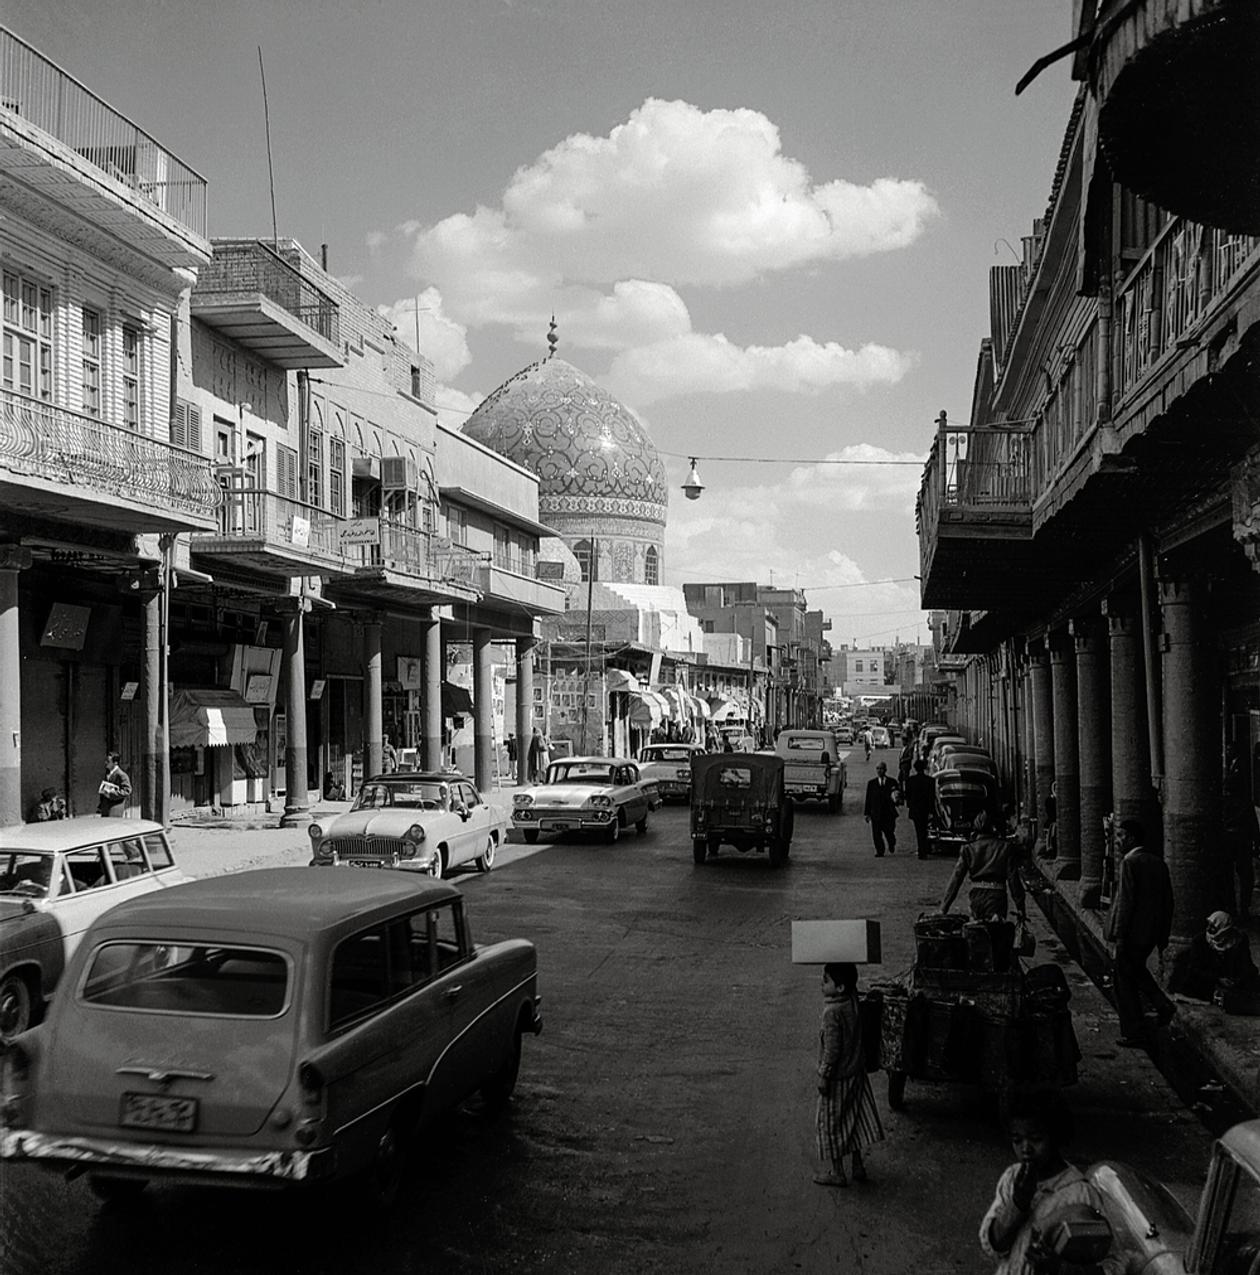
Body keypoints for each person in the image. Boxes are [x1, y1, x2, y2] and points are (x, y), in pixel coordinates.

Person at [980, 1091, 1123, 1274]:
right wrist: (1017, 1205)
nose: (1026, 1149)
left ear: (1056, 1136)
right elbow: (994, 1244)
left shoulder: (1081, 1194)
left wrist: (1061, 1269)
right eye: (1017, 1140)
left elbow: (1112, 1265)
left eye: (1036, 1139)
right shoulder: (1012, 1178)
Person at [1104, 818, 1174, 1047]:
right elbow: (1168, 902)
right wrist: (1162, 935)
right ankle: (1162, 1005)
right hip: (1150, 933)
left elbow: (1126, 902)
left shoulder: (1129, 863)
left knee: (1123, 982)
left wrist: (1120, 936)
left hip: (1132, 933)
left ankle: (1134, 1032)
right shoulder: (1158, 862)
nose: (1118, 841)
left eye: (1121, 836)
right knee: (1136, 970)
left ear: (1132, 838)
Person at [814, 962, 884, 1188]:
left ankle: (837, 1172)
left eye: (826, 980)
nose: (821, 983)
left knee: (832, 1124)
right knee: (854, 1119)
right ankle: (857, 1165)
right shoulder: (852, 1002)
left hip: (838, 1079)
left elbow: (832, 1050)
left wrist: (824, 1075)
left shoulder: (831, 1013)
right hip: (856, 1073)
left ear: (840, 987)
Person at [939, 810, 1027, 921]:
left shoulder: (968, 849)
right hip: (997, 898)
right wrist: (1020, 907)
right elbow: (1014, 880)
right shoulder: (1005, 848)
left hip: (976, 897)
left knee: (976, 928)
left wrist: (943, 908)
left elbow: (956, 880)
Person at [1169, 910, 1259, 1003]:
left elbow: (1246, 963)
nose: (1208, 929)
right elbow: (1195, 968)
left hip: (1230, 978)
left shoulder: (1239, 940)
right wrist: (1218, 979)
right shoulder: (1200, 940)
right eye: (1208, 925)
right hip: (1210, 979)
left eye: (1213, 927)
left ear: (1224, 929)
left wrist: (1237, 979)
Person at [1224, 744, 1255, 920]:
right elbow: (1253, 824)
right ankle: (1244, 906)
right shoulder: (1245, 802)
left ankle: (1232, 907)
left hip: (1229, 840)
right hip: (1242, 840)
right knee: (1245, 875)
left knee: (1228, 876)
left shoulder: (1224, 803)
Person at [863, 761, 900, 857]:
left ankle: (891, 843)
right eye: (878, 768)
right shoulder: (872, 783)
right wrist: (867, 813)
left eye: (881, 769)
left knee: (889, 832)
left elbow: (897, 796)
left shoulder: (892, 782)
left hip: (888, 813)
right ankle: (880, 850)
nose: (879, 771)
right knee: (876, 834)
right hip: (876, 813)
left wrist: (896, 800)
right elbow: (868, 799)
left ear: (885, 770)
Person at [904, 758, 935, 860]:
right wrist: (931, 810)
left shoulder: (910, 780)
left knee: (918, 830)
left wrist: (910, 806)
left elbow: (907, 796)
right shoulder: (930, 781)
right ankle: (923, 850)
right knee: (924, 830)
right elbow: (931, 797)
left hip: (915, 809)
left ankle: (921, 850)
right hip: (925, 809)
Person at [97, 752, 131, 818]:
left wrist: (111, 794)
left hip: (115, 808)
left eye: (108, 761)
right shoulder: (108, 773)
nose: (105, 763)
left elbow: (127, 791)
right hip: (105, 807)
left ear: (115, 763)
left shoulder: (122, 775)